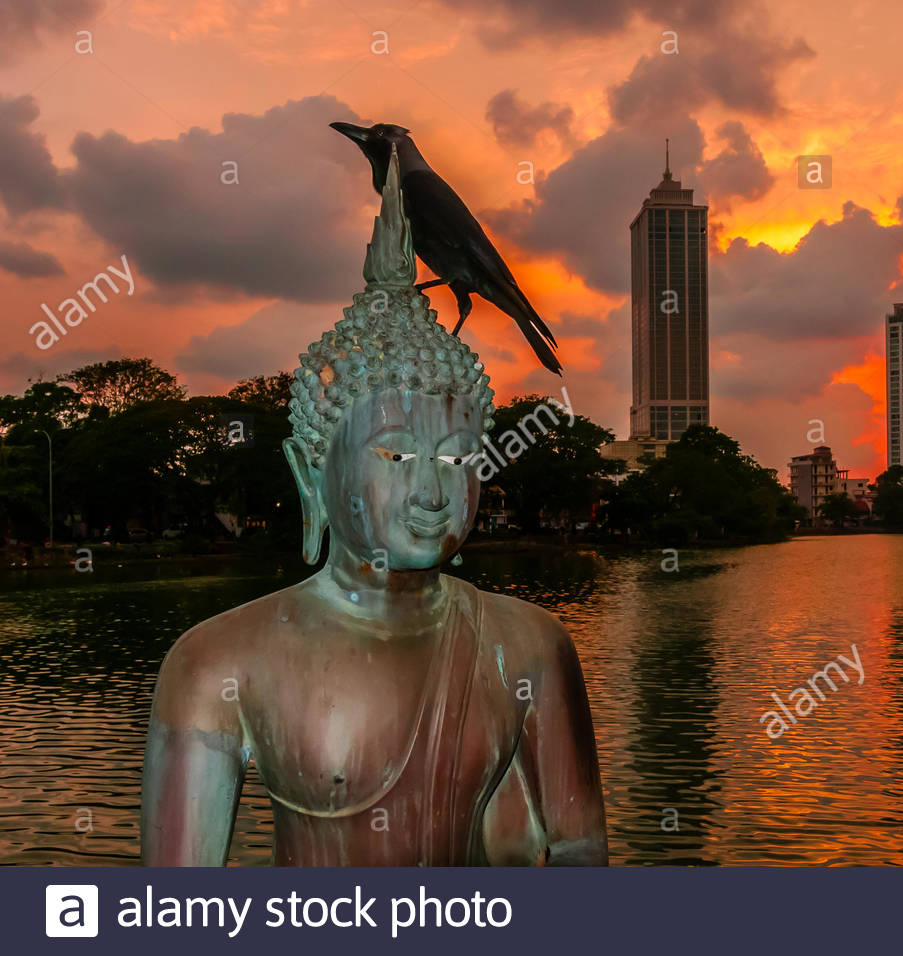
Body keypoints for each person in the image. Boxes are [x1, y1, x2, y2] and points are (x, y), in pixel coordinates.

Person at [140, 148, 607, 866]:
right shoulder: (216, 663)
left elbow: (578, 857)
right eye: (393, 456)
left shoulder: (530, 647)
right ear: (310, 475)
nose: (430, 492)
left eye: (456, 458)